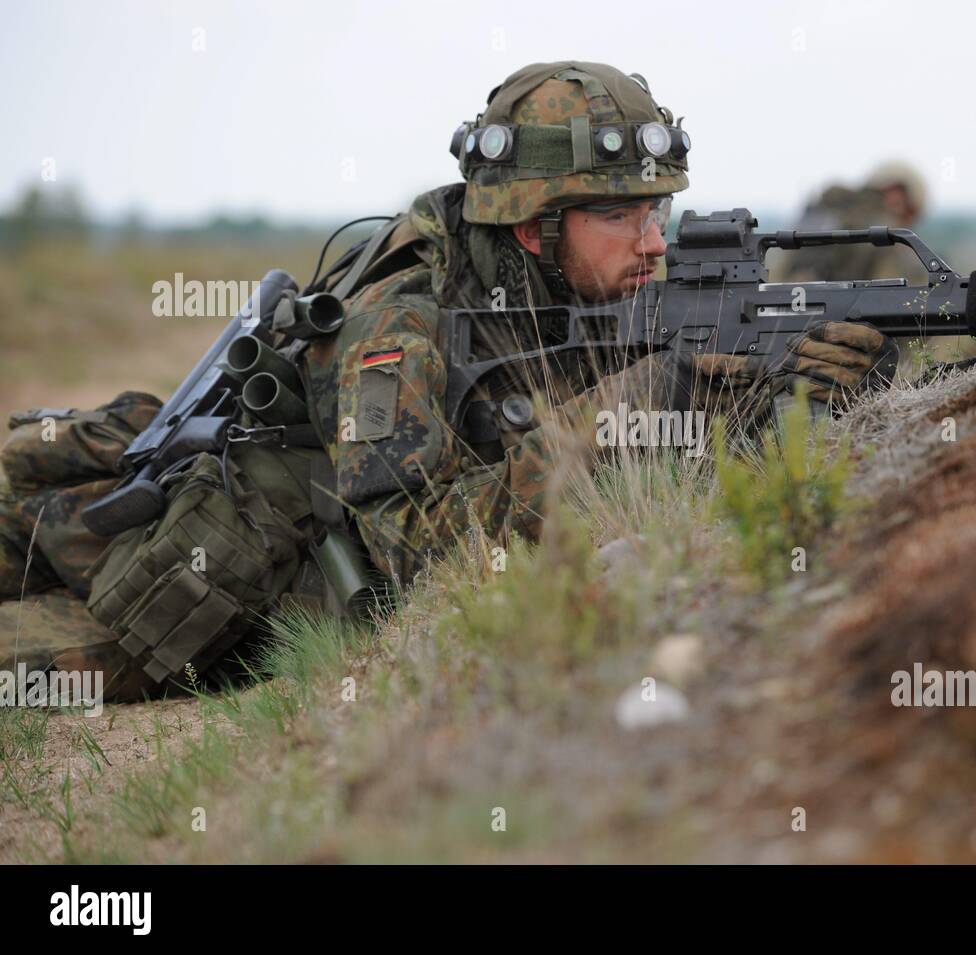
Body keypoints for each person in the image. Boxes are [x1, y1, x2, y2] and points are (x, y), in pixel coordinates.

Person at [0, 61, 898, 703]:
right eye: (619, 214)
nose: (653, 241)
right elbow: (416, 550)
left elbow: (674, 449)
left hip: (300, 529)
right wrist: (627, 406)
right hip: (239, 558)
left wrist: (802, 380)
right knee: (37, 649)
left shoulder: (581, 289)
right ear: (530, 226)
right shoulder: (407, 320)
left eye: (655, 209)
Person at [771, 160, 928, 284]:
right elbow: (903, 297)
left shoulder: (821, 214)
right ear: (896, 195)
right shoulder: (888, 233)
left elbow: (778, 274)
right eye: (909, 212)